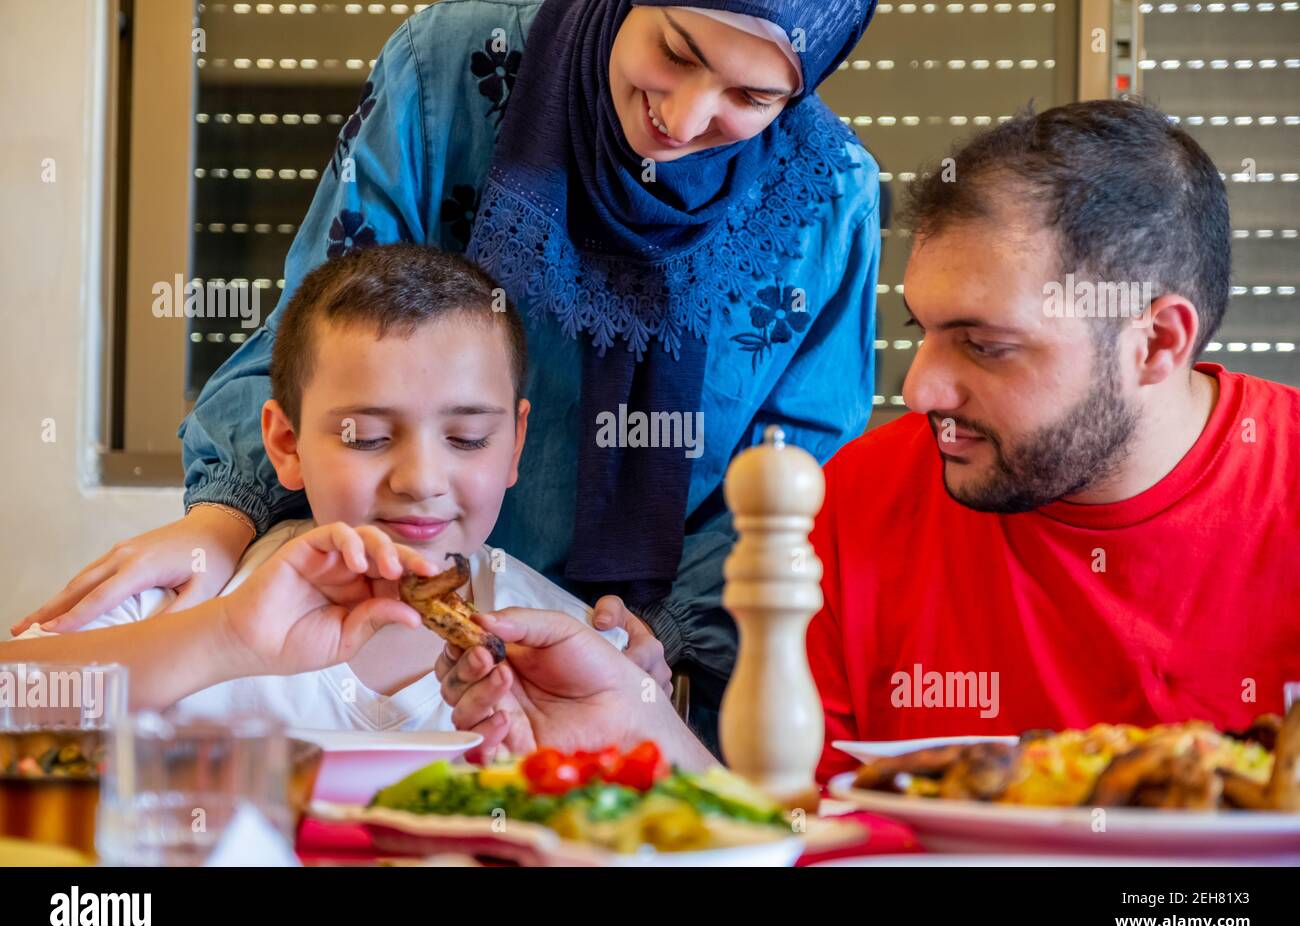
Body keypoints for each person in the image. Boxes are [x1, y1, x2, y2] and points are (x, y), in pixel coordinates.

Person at [14, 1, 884, 753]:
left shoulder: (830, 193)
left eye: (752, 96)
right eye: (679, 51)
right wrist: (221, 537)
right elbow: (328, 324)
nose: (687, 118)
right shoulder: (453, 71)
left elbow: (792, 485)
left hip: (587, 652)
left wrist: (638, 672)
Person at [426, 101, 1300, 778]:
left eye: (985, 345)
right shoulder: (858, 497)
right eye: (921, 330)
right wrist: (637, 724)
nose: (919, 389)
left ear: (1155, 343)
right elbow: (797, 833)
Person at [7, 245, 650, 729]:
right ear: (286, 443)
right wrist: (225, 637)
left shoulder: (571, 652)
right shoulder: (187, 602)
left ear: (514, 444)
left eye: (467, 439)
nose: (421, 480)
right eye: (367, 437)